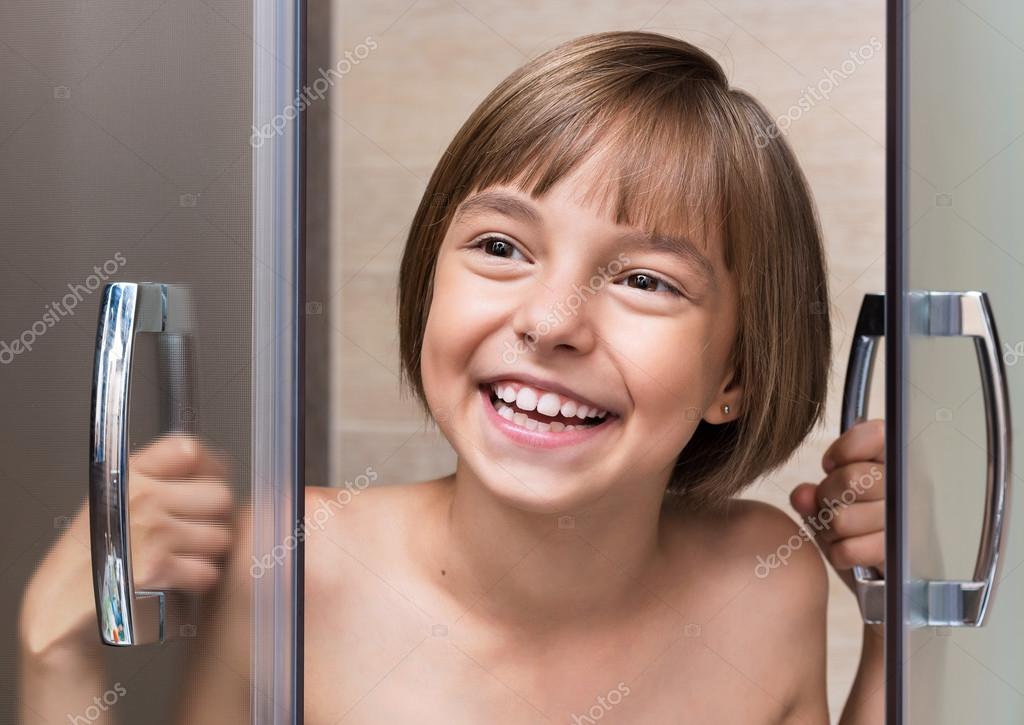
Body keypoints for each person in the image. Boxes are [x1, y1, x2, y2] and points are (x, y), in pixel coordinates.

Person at [19, 31, 885, 724]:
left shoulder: (763, 581)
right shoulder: (288, 569)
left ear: (736, 372)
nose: (550, 321)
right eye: (501, 246)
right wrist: (53, 658)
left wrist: (903, 622)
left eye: (645, 281)